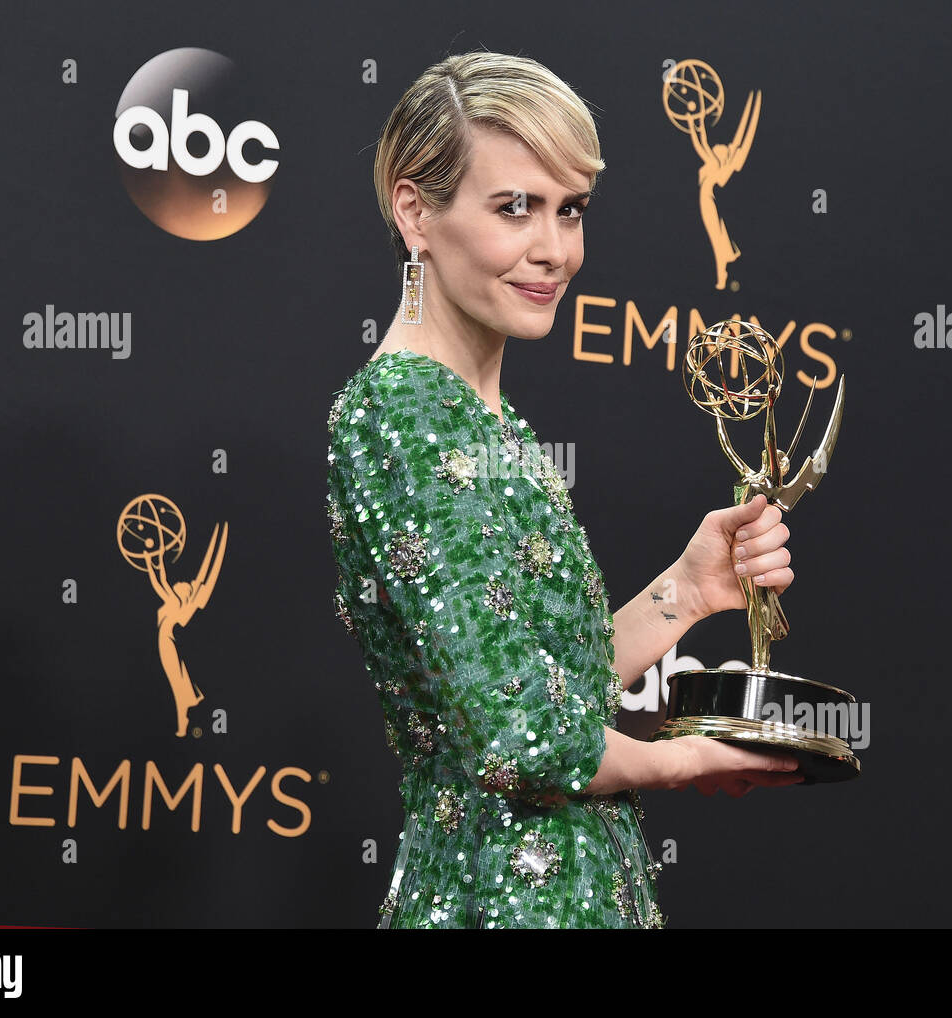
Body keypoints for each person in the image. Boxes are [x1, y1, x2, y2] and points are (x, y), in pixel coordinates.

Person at [326, 50, 801, 930]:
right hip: (501, 901)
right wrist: (686, 760)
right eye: (515, 209)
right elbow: (520, 737)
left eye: (569, 211)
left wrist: (688, 592)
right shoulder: (403, 414)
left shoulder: (482, 416)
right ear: (414, 211)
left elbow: (546, 690)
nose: (554, 250)